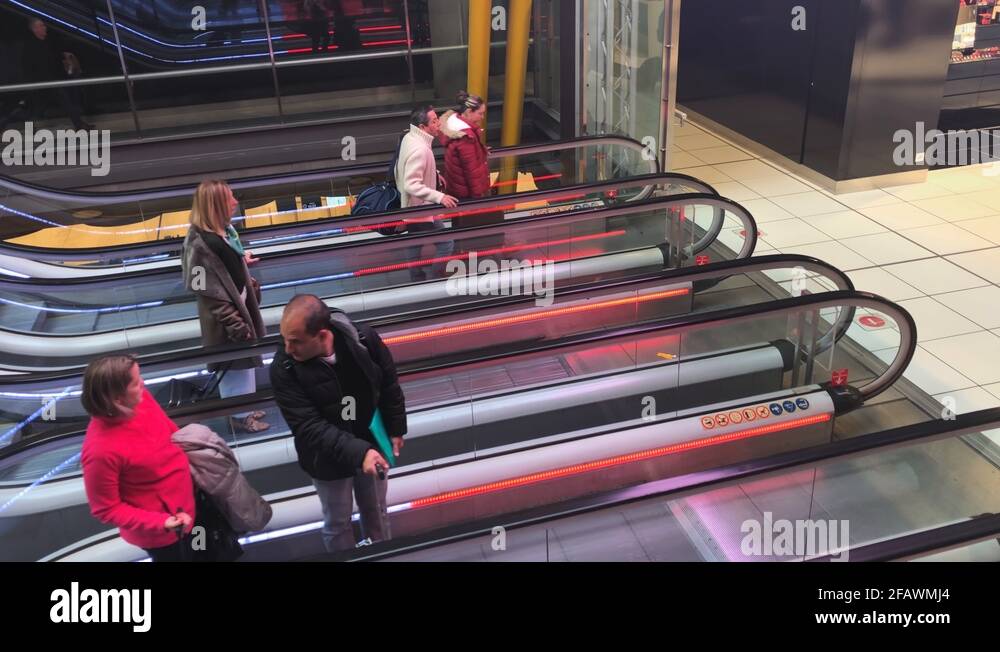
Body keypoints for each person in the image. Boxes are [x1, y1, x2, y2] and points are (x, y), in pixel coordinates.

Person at [270, 294, 406, 553]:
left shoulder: (362, 339)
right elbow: (308, 426)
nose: (287, 348)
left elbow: (388, 383)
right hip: (326, 458)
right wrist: (360, 452)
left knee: (376, 511)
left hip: (370, 442)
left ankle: (380, 554)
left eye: (296, 341)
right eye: (285, 339)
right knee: (338, 521)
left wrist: (396, 427)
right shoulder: (284, 368)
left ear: (322, 336)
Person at [80, 354, 196, 562]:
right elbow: (106, 509)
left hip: (190, 500)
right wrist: (162, 522)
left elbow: (168, 430)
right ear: (117, 399)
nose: (143, 383)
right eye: (135, 382)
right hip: (165, 532)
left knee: (206, 548)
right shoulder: (100, 451)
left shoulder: (140, 399)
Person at [181, 180, 270, 434]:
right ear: (217, 204)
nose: (235, 202)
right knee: (234, 370)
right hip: (227, 322)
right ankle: (239, 417)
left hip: (240, 308)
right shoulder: (199, 244)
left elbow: (228, 263)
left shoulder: (226, 232)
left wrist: (243, 262)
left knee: (245, 366)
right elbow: (205, 291)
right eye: (230, 198)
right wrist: (236, 324)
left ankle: (246, 407)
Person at [395, 105, 458, 280]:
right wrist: (440, 196)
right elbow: (411, 184)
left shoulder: (410, 136)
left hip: (412, 206)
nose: (439, 123)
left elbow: (409, 167)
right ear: (423, 127)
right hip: (420, 207)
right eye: (434, 121)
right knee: (446, 243)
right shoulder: (420, 150)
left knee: (414, 242)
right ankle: (437, 276)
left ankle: (416, 275)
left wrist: (435, 175)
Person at [21, 19, 92, 130]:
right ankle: (79, 125)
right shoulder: (31, 46)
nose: (45, 27)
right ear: (35, 29)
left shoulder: (47, 42)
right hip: (44, 81)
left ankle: (79, 124)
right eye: (41, 25)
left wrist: (64, 57)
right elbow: (33, 66)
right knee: (65, 102)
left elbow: (53, 58)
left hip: (51, 80)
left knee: (40, 107)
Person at [439, 91, 491, 200]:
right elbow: (471, 172)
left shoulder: (454, 125)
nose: (482, 117)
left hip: (457, 187)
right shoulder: (466, 137)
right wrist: (478, 198)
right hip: (466, 193)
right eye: (480, 113)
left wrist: (480, 150)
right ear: (469, 111)